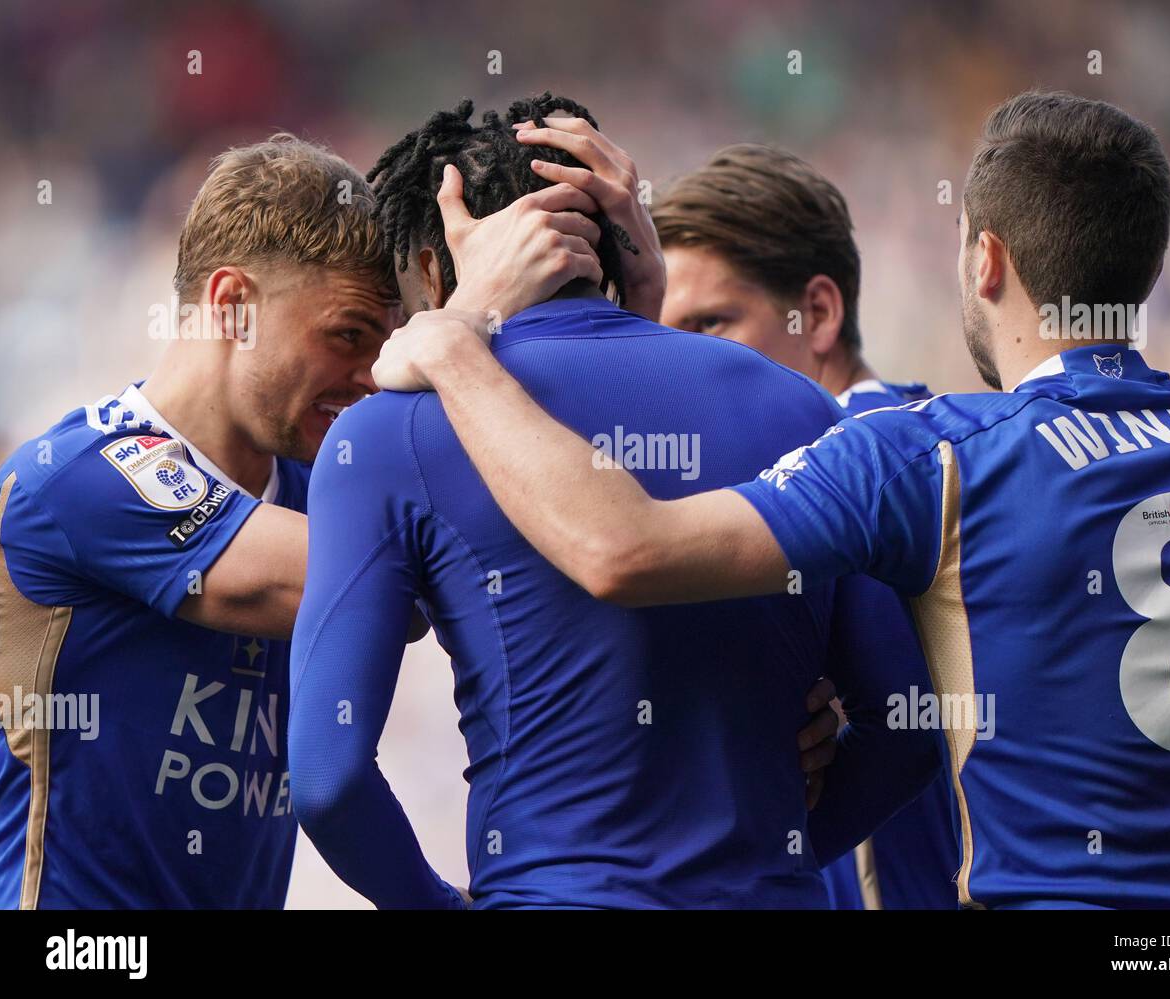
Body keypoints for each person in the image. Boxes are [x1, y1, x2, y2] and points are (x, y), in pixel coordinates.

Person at [373, 91, 1170, 908]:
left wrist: (456, 341)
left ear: (985, 261)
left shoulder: (928, 457)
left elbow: (623, 547)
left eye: (711, 321)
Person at [288, 94, 939, 909]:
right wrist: (783, 859)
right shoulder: (804, 408)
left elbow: (325, 779)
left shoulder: (388, 434)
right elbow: (908, 729)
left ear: (429, 268)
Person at [0, 130, 607, 909]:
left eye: (387, 343)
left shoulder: (321, 482)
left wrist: (635, 315)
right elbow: (385, 577)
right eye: (348, 336)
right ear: (231, 306)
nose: (372, 376)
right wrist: (470, 321)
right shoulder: (85, 474)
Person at [652, 142, 958, 910]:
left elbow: (906, 733)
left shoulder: (888, 476)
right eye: (664, 338)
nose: (682, 366)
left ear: (817, 312)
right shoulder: (927, 444)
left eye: (710, 324)